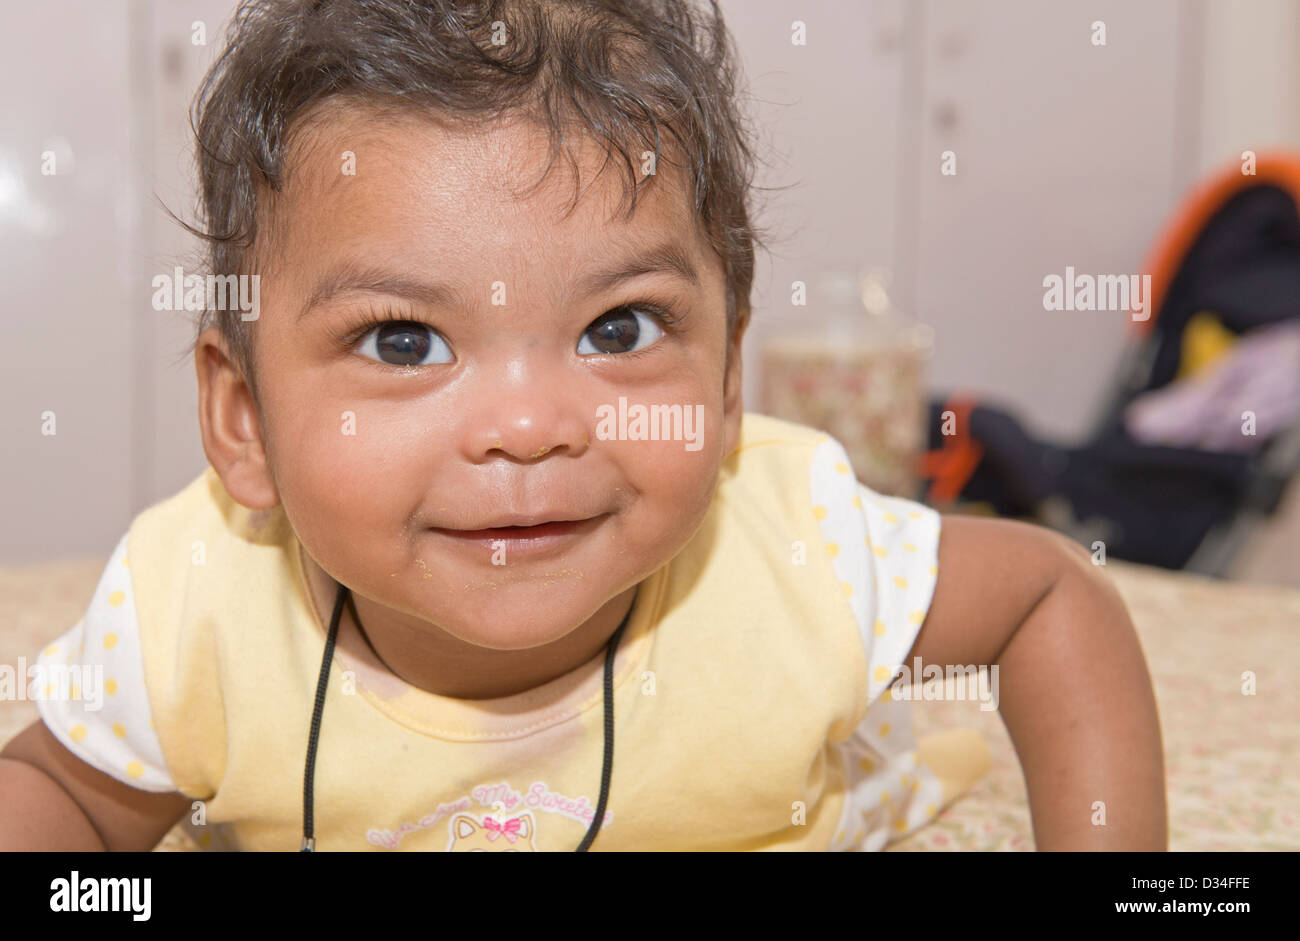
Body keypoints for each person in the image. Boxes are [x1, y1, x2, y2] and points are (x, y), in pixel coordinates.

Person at [0, 0, 1165, 851]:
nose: (526, 425)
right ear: (243, 418)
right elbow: (64, 806)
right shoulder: (199, 606)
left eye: (619, 328)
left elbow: (1045, 594)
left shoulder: (793, 558)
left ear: (723, 381)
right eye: (404, 340)